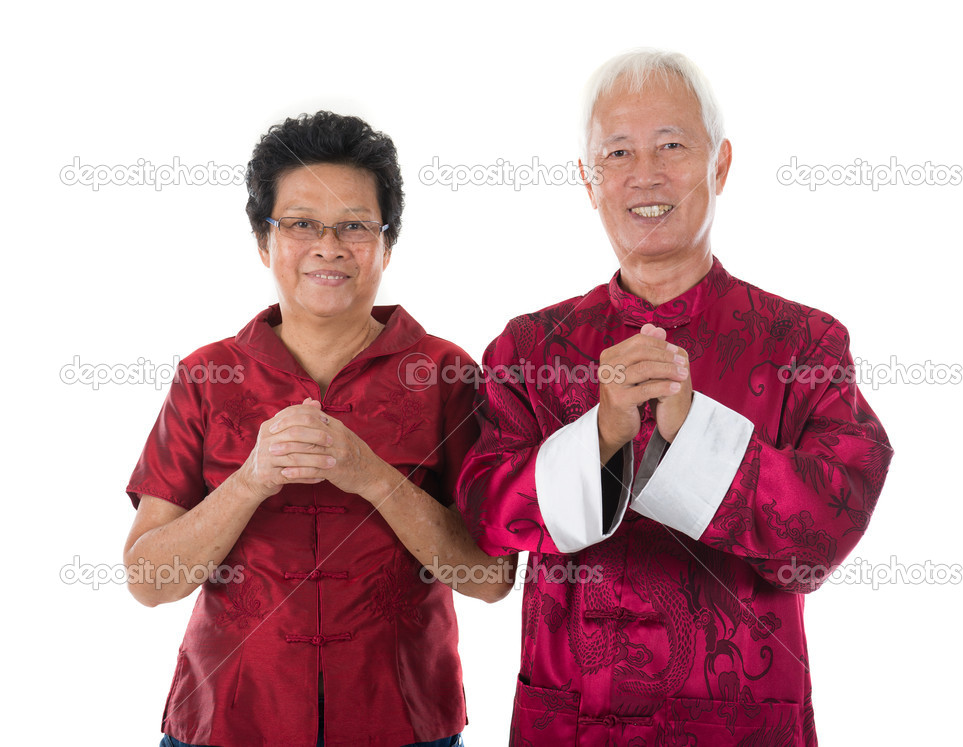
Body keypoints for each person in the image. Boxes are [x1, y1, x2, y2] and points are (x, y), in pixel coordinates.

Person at [456, 50, 893, 746]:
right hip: (570, 719)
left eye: (671, 145)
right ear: (587, 180)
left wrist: (697, 433)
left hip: (739, 722)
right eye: (618, 152)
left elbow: (823, 536)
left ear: (719, 165)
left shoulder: (802, 342)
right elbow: (485, 515)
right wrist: (598, 435)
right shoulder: (528, 349)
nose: (645, 174)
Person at [124, 111, 513, 747]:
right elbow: (148, 581)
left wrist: (370, 475)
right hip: (225, 721)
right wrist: (250, 481)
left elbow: (490, 578)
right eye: (301, 224)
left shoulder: (447, 373)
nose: (328, 246)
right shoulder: (206, 375)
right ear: (263, 241)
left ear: (386, 245)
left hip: (403, 724)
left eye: (355, 226)